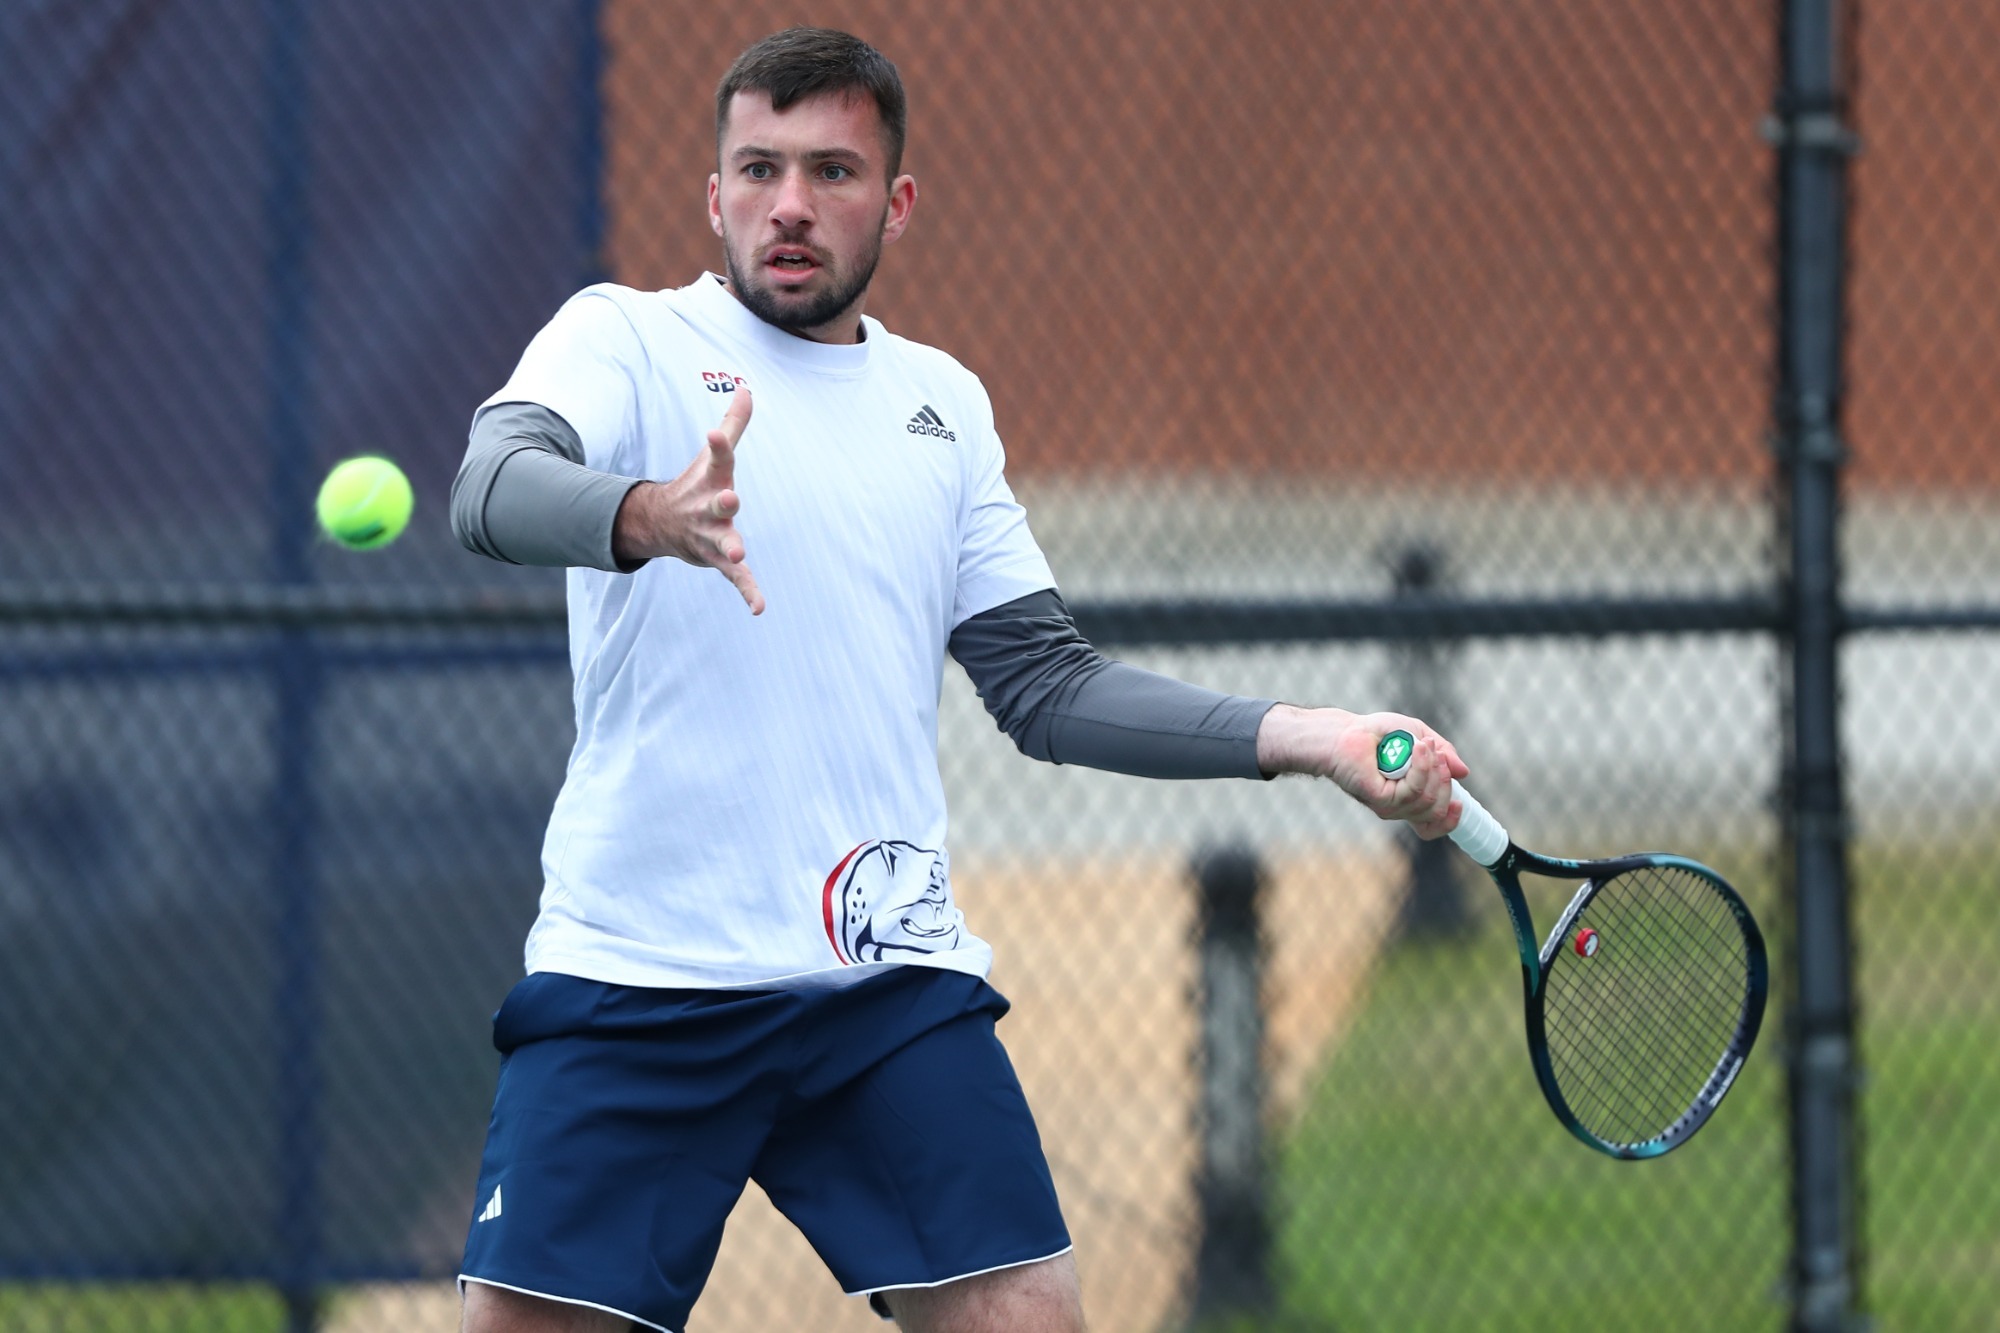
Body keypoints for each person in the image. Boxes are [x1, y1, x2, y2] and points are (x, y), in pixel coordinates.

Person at [449, 27, 1466, 1333]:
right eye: (759, 169)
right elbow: (491, 484)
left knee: (1028, 1317)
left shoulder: (941, 405)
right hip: (637, 978)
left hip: (881, 987)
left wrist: (1315, 735)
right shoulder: (623, 339)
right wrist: (650, 513)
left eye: (832, 171)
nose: (791, 204)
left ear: (897, 202)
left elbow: (1046, 685)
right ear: (713, 195)